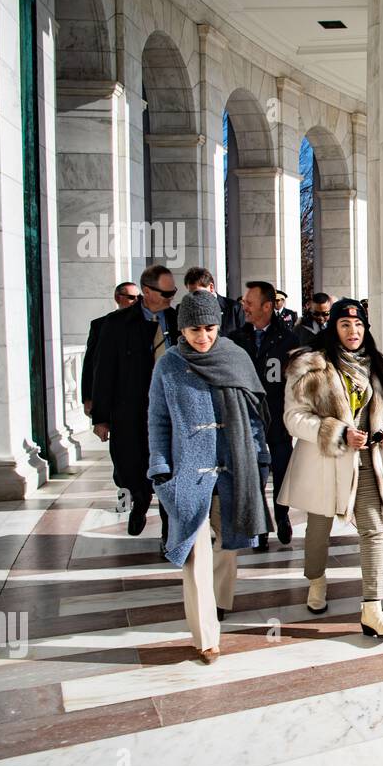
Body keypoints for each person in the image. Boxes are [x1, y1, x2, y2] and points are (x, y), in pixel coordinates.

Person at [148, 291, 271, 664]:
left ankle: (219, 601)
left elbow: (253, 416)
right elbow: (158, 420)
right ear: (182, 328)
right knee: (194, 554)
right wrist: (160, 468)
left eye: (209, 328)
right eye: (194, 329)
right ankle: (206, 636)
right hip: (189, 473)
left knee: (228, 545)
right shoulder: (168, 366)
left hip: (235, 468)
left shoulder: (235, 357)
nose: (202, 337)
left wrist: (260, 459)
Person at [279, 299, 383, 638]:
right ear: (333, 327)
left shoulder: (376, 364)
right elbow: (293, 418)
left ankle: (373, 609)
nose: (353, 331)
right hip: (326, 461)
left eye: (359, 325)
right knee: (319, 530)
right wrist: (336, 431)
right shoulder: (310, 365)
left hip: (366, 463)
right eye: (345, 325)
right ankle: (316, 581)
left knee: (374, 530)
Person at [90, 264, 179, 542]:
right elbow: (103, 371)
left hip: (169, 411)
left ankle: (169, 533)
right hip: (130, 410)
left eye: (173, 292)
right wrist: (101, 417)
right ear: (147, 292)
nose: (170, 298)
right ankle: (139, 501)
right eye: (166, 293)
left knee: (170, 472)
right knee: (132, 465)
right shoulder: (116, 325)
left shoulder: (178, 321)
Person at [231, 280, 300, 547]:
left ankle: (282, 516)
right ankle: (259, 526)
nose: (244, 307)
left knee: (282, 469)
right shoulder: (236, 339)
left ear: (267, 306)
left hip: (279, 419)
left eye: (250, 302)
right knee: (253, 473)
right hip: (247, 420)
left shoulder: (289, 340)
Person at [82, 281, 139, 413]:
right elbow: (91, 362)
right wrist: (87, 398)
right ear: (117, 298)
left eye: (139, 297)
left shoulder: (149, 323)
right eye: (131, 297)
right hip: (114, 397)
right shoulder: (100, 325)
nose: (136, 301)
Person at [183, 266, 244, 335]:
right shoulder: (185, 310)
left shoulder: (234, 308)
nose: (195, 298)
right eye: (191, 294)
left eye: (199, 293)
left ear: (211, 287)